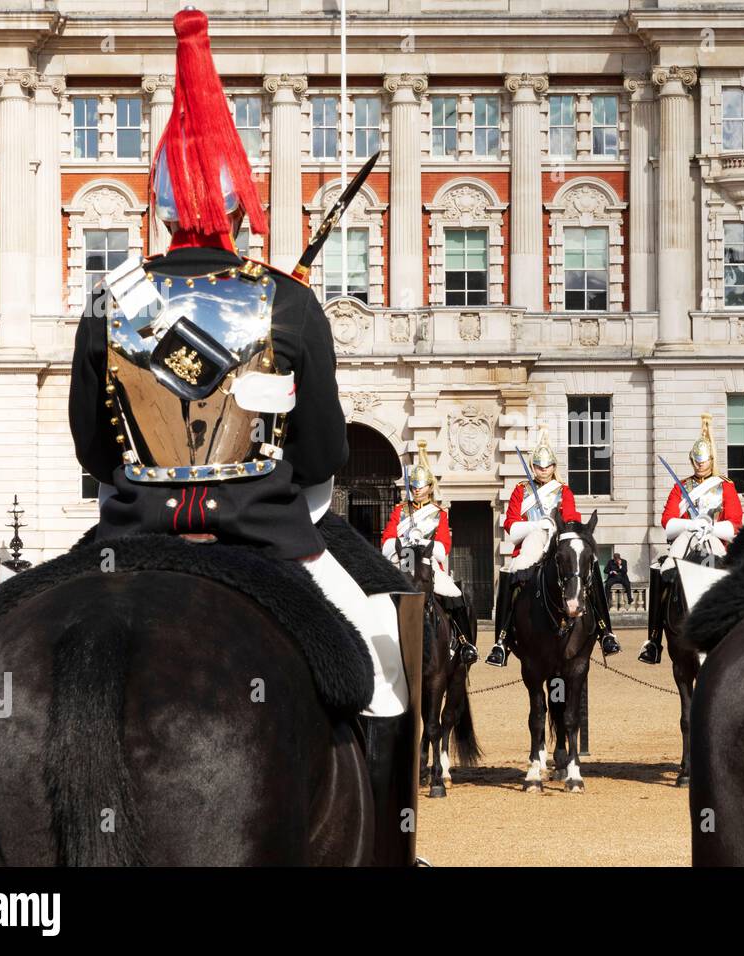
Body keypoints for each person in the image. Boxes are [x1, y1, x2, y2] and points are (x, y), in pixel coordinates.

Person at [68, 8, 418, 863]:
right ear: (238, 197)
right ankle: (392, 846)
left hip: (129, 540)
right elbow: (329, 456)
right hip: (268, 540)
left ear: (157, 198)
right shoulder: (286, 302)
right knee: (386, 665)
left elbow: (93, 449)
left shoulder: (112, 301)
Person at [486, 427, 621, 667]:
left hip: (558, 540)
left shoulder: (563, 491)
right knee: (512, 571)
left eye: (547, 466)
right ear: (533, 466)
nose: (543, 470)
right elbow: (511, 524)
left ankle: (605, 631)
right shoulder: (521, 490)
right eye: (538, 466)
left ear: (554, 467)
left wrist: (558, 527)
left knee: (587, 569)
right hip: (532, 540)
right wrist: (538, 524)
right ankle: (502, 640)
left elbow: (570, 518)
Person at [640, 414, 743, 664]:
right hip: (686, 540)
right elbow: (668, 521)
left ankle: (743, 633)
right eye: (696, 461)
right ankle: (653, 639)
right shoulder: (681, 487)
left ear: (711, 460)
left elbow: (735, 523)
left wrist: (711, 527)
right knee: (661, 569)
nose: (700, 465)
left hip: (716, 542)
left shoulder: (725, 486)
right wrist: (692, 524)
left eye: (704, 461)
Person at [380, 440, 478, 665]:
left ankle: (465, 643)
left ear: (430, 487)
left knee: (453, 593)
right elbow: (387, 540)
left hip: (428, 562)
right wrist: (404, 542)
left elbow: (443, 545)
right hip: (404, 561)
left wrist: (423, 542)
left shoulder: (438, 513)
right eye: (414, 486)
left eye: (421, 486)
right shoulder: (399, 511)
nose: (417, 490)